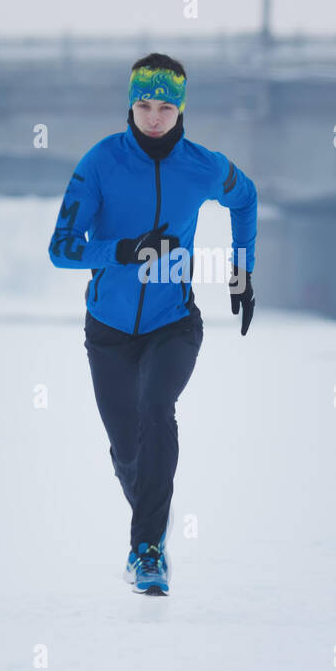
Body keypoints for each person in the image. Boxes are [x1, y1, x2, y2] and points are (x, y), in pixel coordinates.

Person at [47, 53, 257, 595]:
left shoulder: (203, 166)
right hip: (109, 331)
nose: (155, 117)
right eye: (144, 105)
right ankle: (151, 519)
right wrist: (124, 249)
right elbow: (62, 250)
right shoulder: (100, 163)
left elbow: (246, 197)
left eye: (165, 106)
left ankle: (146, 552)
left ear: (181, 107)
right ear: (130, 105)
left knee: (157, 411)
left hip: (174, 323)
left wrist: (242, 270)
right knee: (127, 452)